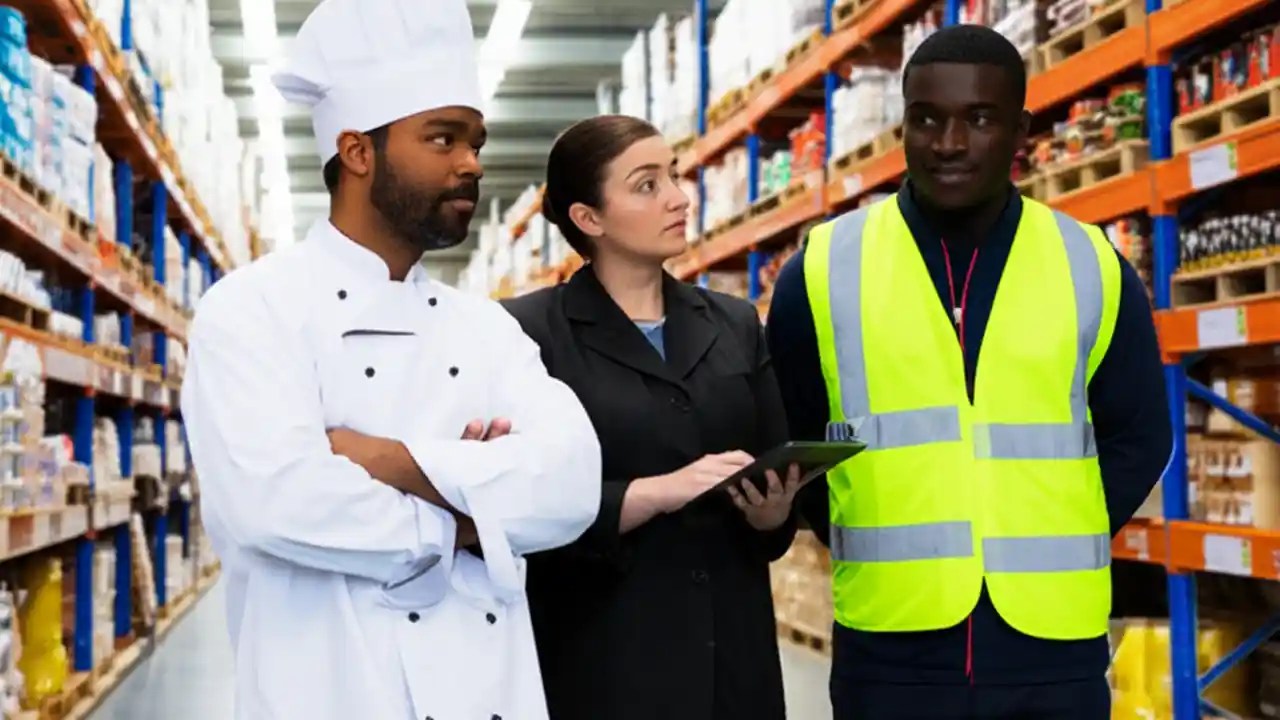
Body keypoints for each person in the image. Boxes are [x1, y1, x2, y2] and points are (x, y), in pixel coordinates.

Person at [179, 1, 602, 718]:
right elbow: (275, 503)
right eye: (442, 138)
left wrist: (384, 460)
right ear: (356, 152)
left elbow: (572, 484)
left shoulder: (486, 330)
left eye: (476, 141)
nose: (472, 163)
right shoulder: (252, 311)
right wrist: (470, 521)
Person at [765, 25, 1172, 719]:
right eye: (926, 120)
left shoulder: (1089, 263)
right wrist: (867, 527)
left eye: (979, 120)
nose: (948, 144)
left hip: (1052, 649)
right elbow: (793, 431)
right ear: (903, 125)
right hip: (892, 648)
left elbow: (1140, 434)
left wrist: (1054, 526)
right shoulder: (826, 267)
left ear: (1021, 129)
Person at [502, 115, 799, 720]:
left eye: (674, 176)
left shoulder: (734, 323)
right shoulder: (528, 333)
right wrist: (649, 495)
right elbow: (515, 507)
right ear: (589, 218)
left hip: (732, 664)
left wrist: (773, 515)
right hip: (605, 661)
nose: (678, 198)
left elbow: (773, 460)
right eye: (647, 185)